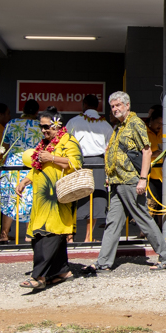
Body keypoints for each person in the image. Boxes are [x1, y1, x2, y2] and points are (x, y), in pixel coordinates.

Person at [90, 91, 166, 272]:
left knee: (143, 218)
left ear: (127, 105)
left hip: (130, 180)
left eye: (118, 105)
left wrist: (143, 179)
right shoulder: (119, 126)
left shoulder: (135, 123)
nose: (115, 109)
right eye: (112, 106)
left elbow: (146, 151)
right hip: (117, 181)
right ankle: (103, 262)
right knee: (113, 223)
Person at [16, 107, 82, 289]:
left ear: (57, 125)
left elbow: (75, 163)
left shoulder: (68, 141)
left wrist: (52, 158)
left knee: (47, 235)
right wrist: (25, 180)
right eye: (41, 127)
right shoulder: (44, 144)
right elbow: (38, 166)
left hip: (57, 198)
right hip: (42, 198)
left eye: (47, 127)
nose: (43, 130)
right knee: (50, 235)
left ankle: (38, 276)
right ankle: (61, 271)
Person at [64, 94, 112, 243]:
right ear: (97, 106)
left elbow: (65, 140)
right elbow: (109, 147)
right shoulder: (105, 125)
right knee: (95, 198)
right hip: (98, 163)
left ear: (84, 104)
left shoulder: (74, 121)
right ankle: (88, 237)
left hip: (78, 162)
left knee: (74, 196)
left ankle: (70, 236)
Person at [0, 99, 42, 242]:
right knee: (31, 200)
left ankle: (4, 234)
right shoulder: (39, 126)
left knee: (10, 199)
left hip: (12, 166)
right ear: (37, 112)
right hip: (31, 165)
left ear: (23, 110)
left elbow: (4, 146)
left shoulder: (11, 124)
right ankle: (29, 235)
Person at [147, 105, 165, 230]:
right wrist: (154, 154)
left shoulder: (164, 132)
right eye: (158, 123)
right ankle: (146, 230)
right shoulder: (145, 132)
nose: (160, 125)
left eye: (162, 123)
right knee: (150, 203)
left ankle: (161, 227)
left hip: (163, 175)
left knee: (163, 204)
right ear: (151, 121)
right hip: (150, 174)